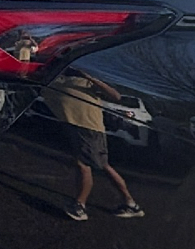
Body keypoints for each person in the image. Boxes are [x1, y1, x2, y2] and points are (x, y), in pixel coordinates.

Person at [45, 72, 144, 220]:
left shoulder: (84, 81)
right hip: (76, 127)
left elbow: (116, 96)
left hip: (88, 128)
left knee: (84, 165)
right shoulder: (54, 77)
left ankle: (80, 207)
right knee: (103, 165)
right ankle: (131, 204)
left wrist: (90, 78)